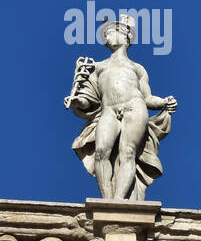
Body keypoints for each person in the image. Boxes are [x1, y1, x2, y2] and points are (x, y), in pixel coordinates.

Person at [65, 14, 177, 200]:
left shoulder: (137, 68)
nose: (106, 38)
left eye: (110, 33)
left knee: (128, 153)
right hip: (108, 111)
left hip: (135, 108)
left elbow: (148, 98)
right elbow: (89, 100)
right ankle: (107, 200)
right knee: (101, 153)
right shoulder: (98, 67)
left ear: (125, 36)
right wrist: (77, 102)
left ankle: (119, 200)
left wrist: (164, 102)